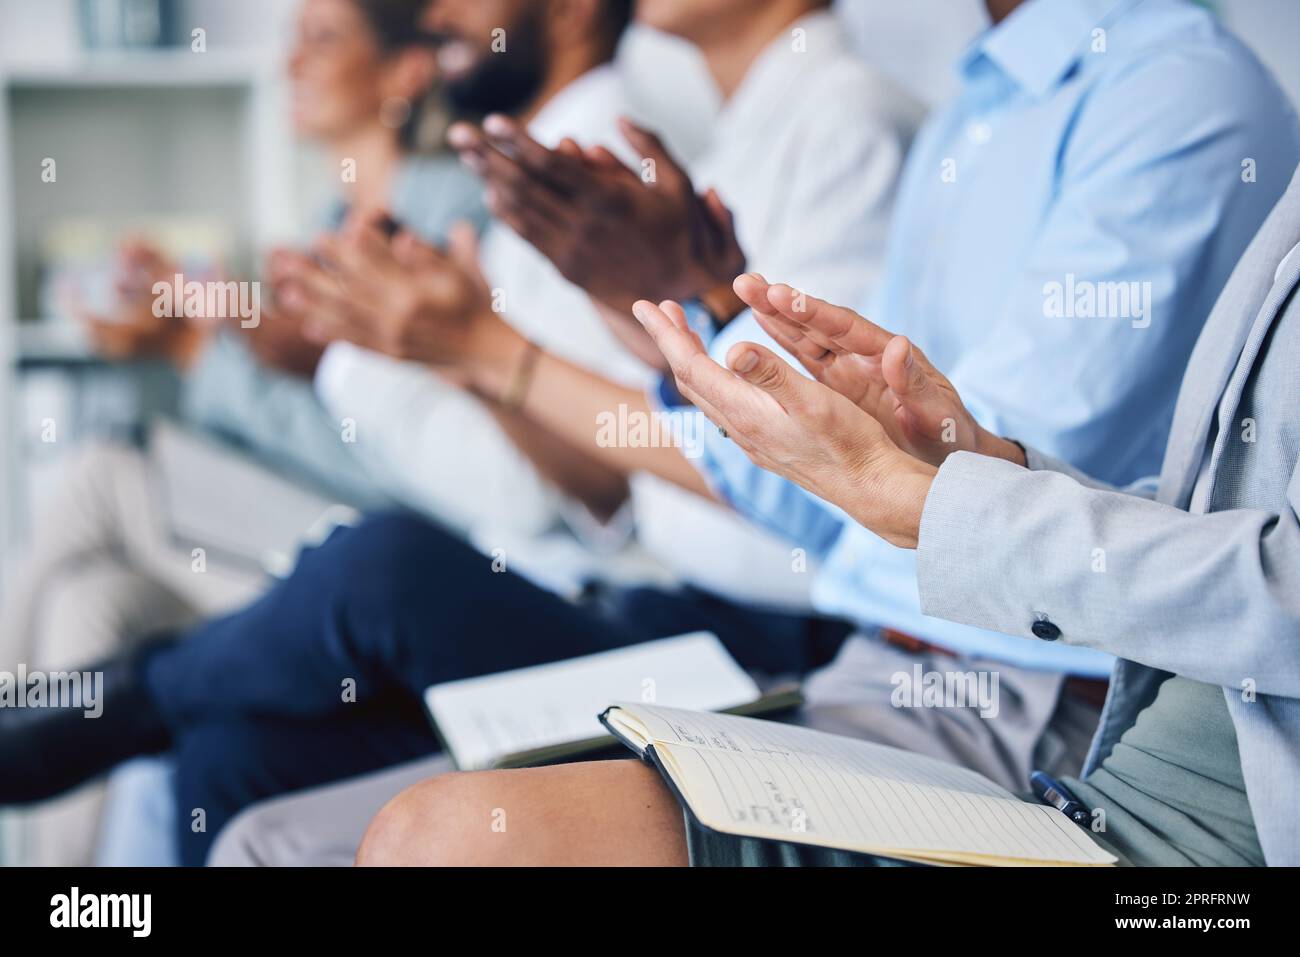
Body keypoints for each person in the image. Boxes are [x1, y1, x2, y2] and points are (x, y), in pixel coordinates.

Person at [216, 0, 1299, 865]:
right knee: (270, 828)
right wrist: (683, 314)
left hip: (992, 688)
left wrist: (494, 351)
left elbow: (929, 519)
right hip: (873, 658)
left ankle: (142, 700)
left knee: (389, 650)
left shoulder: (1169, 94)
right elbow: (878, 499)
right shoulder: (973, 108)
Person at [0, 0, 924, 867]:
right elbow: (633, 455)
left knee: (378, 565)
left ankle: (128, 700)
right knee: (235, 752)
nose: (442, 12)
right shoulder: (708, 141)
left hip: (750, 629)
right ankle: (118, 714)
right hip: (637, 593)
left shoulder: (818, 125)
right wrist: (459, 354)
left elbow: (797, 471)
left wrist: (462, 354)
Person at [0, 0, 484, 868]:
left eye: (322, 38)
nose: (289, 61)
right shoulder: (319, 228)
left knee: (105, 473)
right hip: (284, 529)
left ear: (405, 72)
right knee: (92, 606)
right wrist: (192, 337)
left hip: (383, 549)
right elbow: (275, 430)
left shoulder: (446, 213)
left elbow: (404, 463)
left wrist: (196, 351)